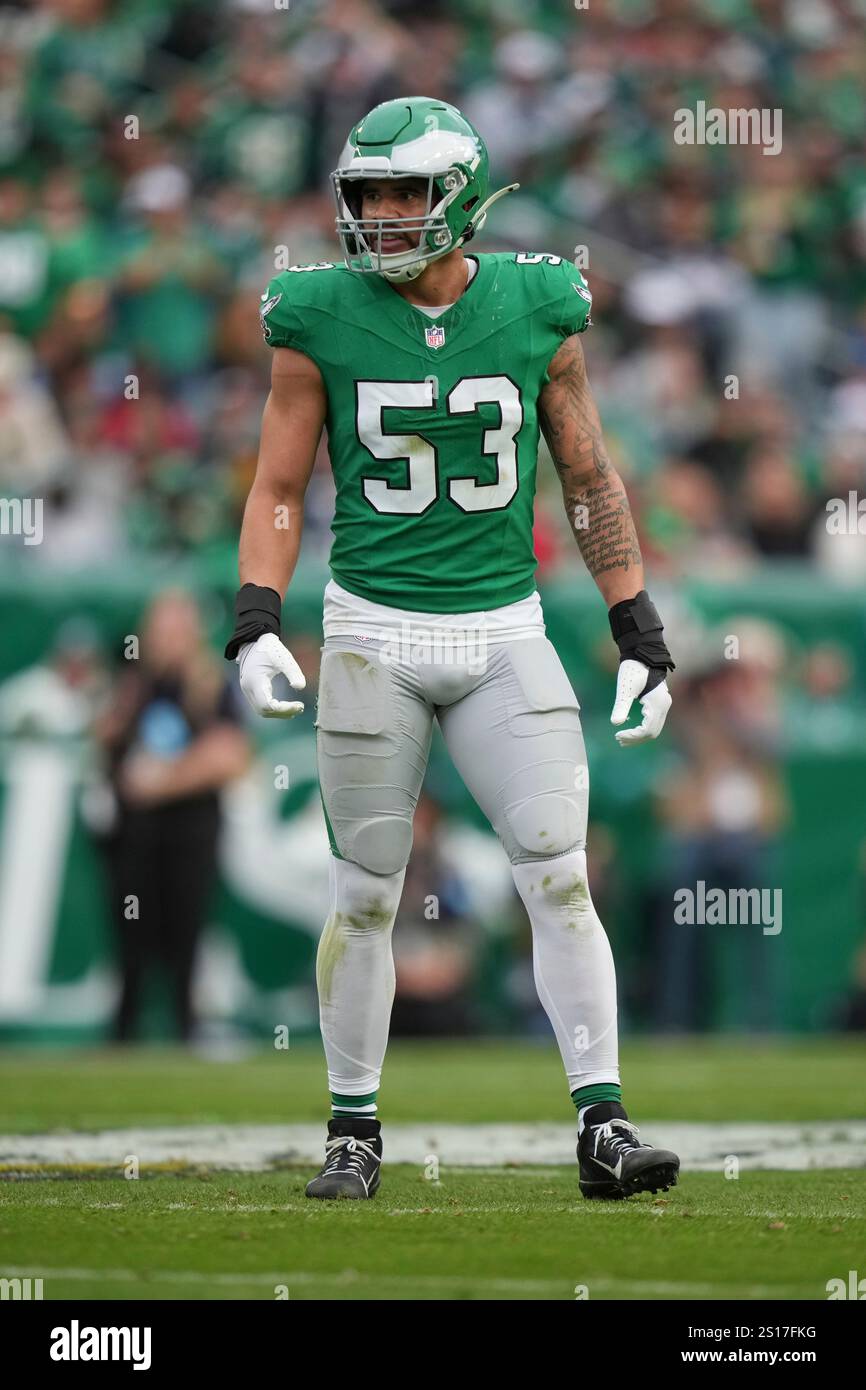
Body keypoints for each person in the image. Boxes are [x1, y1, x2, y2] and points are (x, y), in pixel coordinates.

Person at [224, 97, 678, 1200]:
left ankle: (602, 1125)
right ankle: (352, 1132)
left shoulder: (537, 300)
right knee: (365, 892)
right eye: (366, 195)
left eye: (404, 193)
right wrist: (253, 618)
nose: (381, 216)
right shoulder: (316, 313)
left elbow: (586, 475)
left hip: (501, 629)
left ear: (462, 198)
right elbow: (279, 483)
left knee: (559, 875)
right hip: (372, 629)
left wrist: (636, 626)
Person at [98, 589, 249, 1042]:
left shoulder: (209, 687)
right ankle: (124, 1031)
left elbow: (231, 755)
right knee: (129, 935)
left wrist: (164, 782)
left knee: (186, 931)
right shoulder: (133, 684)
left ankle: (187, 1026)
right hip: (135, 837)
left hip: (190, 833)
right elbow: (105, 737)